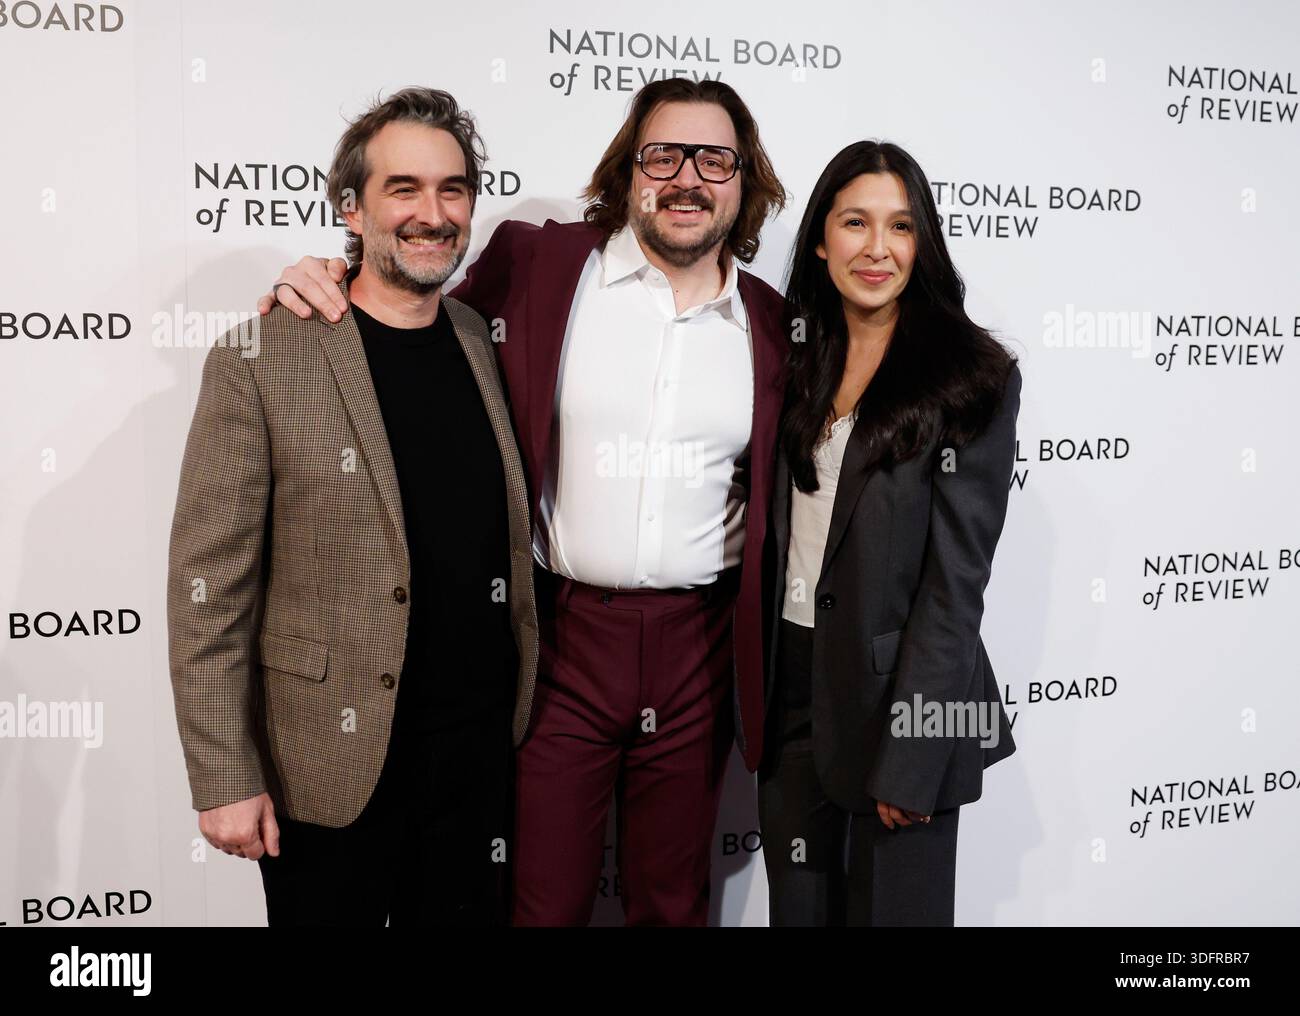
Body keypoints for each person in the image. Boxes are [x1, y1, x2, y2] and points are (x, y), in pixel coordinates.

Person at [259, 79, 790, 926]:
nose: (688, 177)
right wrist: (329, 268)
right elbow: (406, 313)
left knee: (674, 904)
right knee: (539, 904)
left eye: (715, 159)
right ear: (629, 170)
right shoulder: (539, 265)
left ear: (744, 180)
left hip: (701, 649)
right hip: (562, 645)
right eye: (663, 155)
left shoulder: (772, 323)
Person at [167, 87, 536, 926]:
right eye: (402, 189)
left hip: (477, 762)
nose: (431, 213)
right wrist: (226, 775)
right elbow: (208, 587)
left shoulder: (484, 340)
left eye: (452, 190)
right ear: (351, 208)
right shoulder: (262, 355)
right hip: (326, 764)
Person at [760, 140, 1021, 926]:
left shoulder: (971, 377)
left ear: (924, 241)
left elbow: (955, 588)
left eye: (900, 226)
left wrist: (914, 758)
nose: (877, 248)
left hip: (904, 703)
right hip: (791, 691)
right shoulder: (791, 357)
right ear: (819, 238)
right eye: (855, 223)